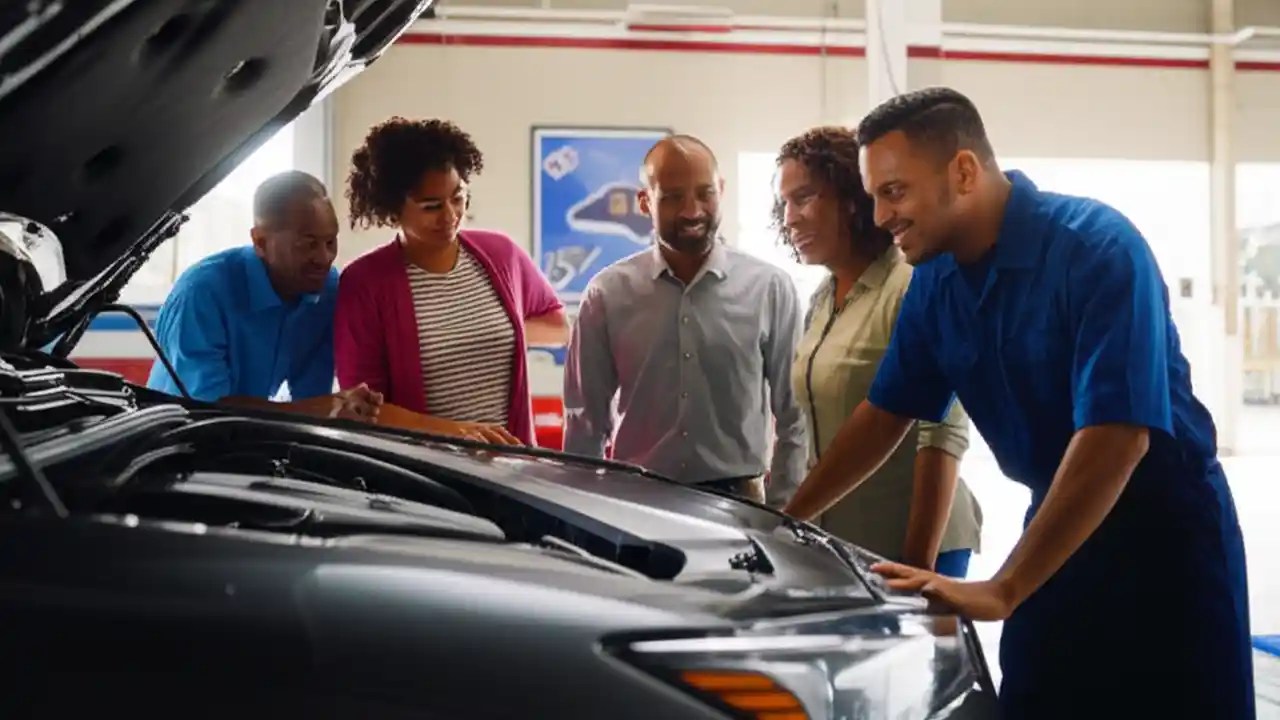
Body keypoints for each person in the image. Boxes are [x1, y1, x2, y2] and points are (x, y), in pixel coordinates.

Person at [782, 87, 1254, 717]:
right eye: (873, 197)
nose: (879, 215)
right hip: (1054, 530)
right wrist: (789, 517)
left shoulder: (1098, 250)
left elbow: (1117, 436)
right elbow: (886, 411)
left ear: (965, 172)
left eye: (894, 192)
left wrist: (1004, 588)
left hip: (1164, 542)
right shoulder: (934, 282)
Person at [775, 126, 982, 577]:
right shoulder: (821, 299)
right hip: (841, 541)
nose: (790, 217)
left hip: (914, 548)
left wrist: (918, 566)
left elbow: (942, 433)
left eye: (805, 197)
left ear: (853, 199)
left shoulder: (910, 285)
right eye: (785, 203)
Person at [563, 134, 807, 505]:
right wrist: (584, 514)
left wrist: (782, 515)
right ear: (645, 201)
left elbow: (795, 416)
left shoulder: (769, 288)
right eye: (673, 196)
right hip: (638, 506)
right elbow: (585, 424)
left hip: (742, 507)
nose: (692, 210)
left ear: (721, 190)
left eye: (704, 193)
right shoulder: (606, 295)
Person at [336, 117, 568, 447]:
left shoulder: (501, 254)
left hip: (515, 466)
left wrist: (486, 331)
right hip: (424, 473)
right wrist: (453, 431)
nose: (449, 216)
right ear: (392, 210)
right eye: (431, 206)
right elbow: (361, 407)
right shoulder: (365, 283)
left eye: (458, 198)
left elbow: (559, 324)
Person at [147, 170, 381, 421]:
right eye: (308, 244)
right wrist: (321, 410)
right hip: (171, 437)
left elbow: (311, 398)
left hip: (247, 437)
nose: (324, 258)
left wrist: (344, 407)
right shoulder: (201, 294)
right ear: (260, 241)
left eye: (330, 242)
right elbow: (208, 409)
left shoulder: (327, 289)